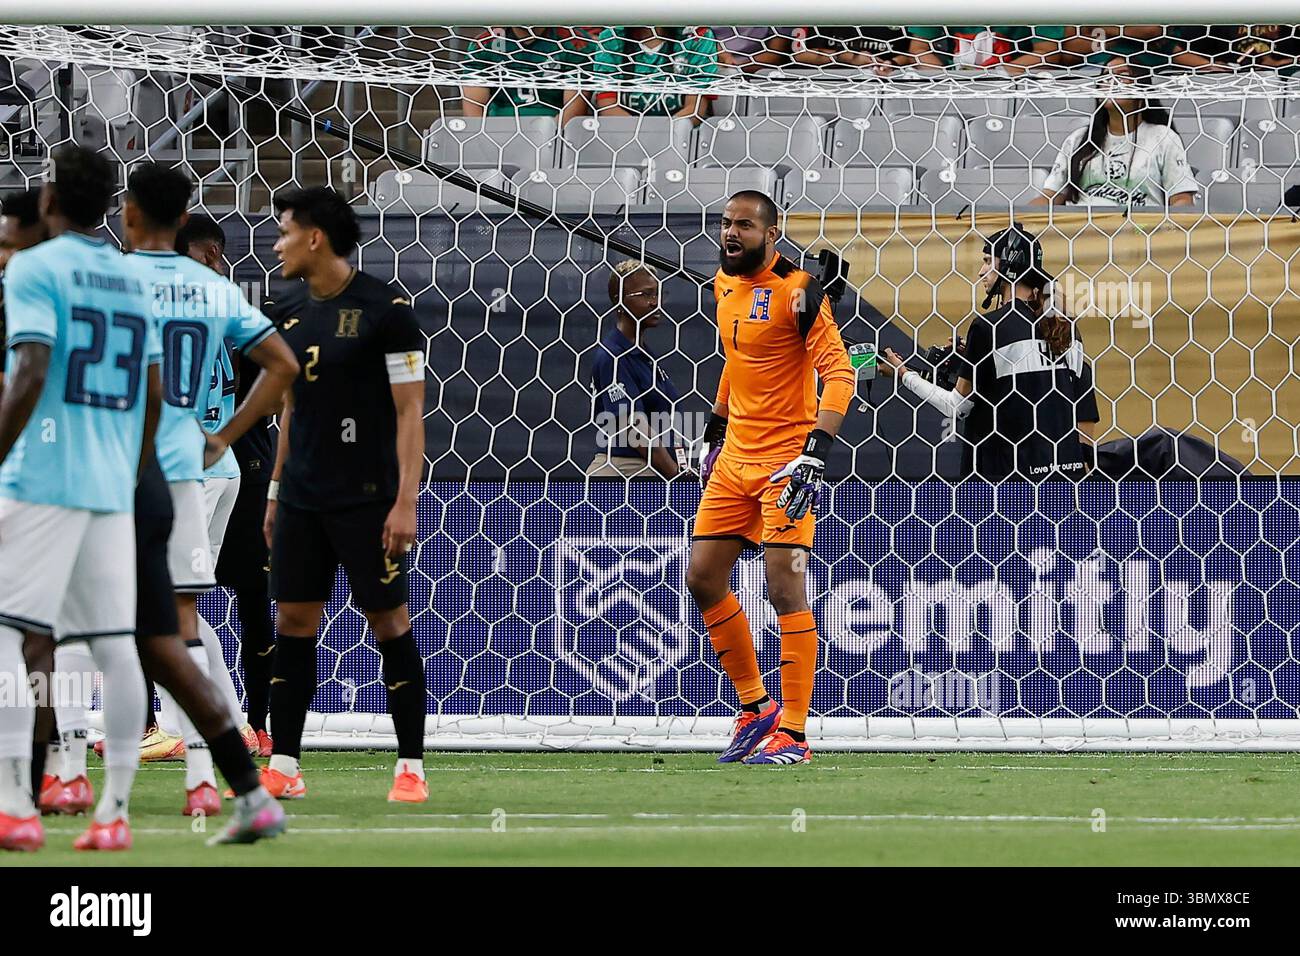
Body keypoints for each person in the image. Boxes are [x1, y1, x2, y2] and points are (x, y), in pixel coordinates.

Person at [123, 163, 298, 818]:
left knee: (137, 620)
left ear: (133, 214)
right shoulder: (215, 288)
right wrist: (225, 434)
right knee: (181, 614)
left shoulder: (117, 282)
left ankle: (166, 762)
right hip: (209, 468)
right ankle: (214, 761)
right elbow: (281, 365)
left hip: (147, 472)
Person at [0, 146, 155, 851]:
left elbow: (30, 369)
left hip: (42, 479)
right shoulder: (129, 275)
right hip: (110, 483)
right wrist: (131, 466)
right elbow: (154, 392)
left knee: (11, 636)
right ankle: (114, 813)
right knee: (116, 646)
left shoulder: (34, 268)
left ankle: (16, 808)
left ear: (52, 201)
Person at [261, 187, 428, 804]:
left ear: (314, 238)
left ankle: (410, 766)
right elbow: (290, 407)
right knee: (293, 621)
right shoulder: (288, 310)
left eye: (283, 232)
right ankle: (284, 764)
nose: (275, 244)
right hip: (303, 496)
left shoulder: (387, 311)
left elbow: (411, 413)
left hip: (367, 499)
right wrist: (276, 493)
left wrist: (405, 500)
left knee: (388, 622)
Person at [685, 190, 854, 766]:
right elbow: (736, 360)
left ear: (770, 234)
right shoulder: (722, 285)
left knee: (784, 588)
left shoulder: (800, 292)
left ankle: (797, 735)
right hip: (734, 460)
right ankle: (757, 708)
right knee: (702, 578)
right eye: (726, 223)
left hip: (787, 463)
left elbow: (841, 376)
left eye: (745, 226)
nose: (731, 233)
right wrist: (713, 426)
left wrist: (815, 452)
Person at [880, 224, 1100, 482]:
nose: (981, 271)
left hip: (1005, 487)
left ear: (1009, 263)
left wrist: (903, 374)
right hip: (1065, 481)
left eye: (987, 261)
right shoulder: (1068, 329)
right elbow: (1083, 415)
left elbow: (956, 408)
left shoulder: (989, 327)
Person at [181, 214, 276, 758]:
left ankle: (253, 721)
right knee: (177, 602)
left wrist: (227, 433)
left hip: (229, 464)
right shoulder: (218, 307)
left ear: (214, 254)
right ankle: (177, 726)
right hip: (212, 463)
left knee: (250, 599)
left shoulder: (222, 309)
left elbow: (279, 376)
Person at [1036, 59, 1199, 208]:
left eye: (1122, 76)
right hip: (1083, 233)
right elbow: (1050, 196)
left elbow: (1181, 199)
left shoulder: (1163, 137)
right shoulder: (1079, 139)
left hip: (1142, 232)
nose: (1111, 83)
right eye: (1106, 78)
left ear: (1141, 89)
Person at [586, 260, 682, 478]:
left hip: (650, 470)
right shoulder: (613, 355)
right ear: (619, 300)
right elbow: (634, 430)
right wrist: (676, 476)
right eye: (646, 294)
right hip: (623, 472)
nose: (655, 302)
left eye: (659, 294)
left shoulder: (644, 356)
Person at [587, 27, 720, 124]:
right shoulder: (611, 39)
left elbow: (695, 109)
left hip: (681, 141)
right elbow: (607, 106)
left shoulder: (697, 37)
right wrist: (641, 135)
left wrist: (659, 135)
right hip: (624, 138)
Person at [460, 26, 590, 126]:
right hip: (498, 128)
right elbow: (474, 110)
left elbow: (574, 110)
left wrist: (549, 136)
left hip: (554, 131)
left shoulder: (574, 43)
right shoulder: (486, 44)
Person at [710, 27, 793, 73]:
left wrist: (736, 66)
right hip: (708, 58)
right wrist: (717, 49)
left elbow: (775, 54)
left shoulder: (778, 8)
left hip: (752, 70)